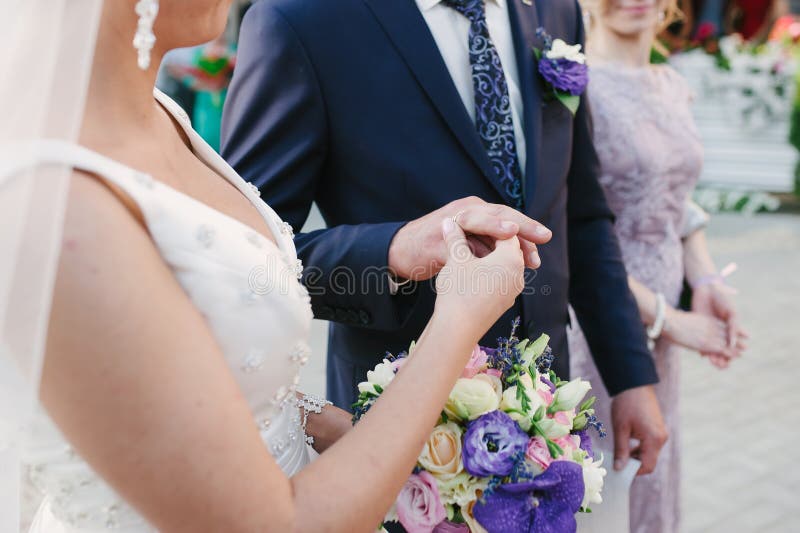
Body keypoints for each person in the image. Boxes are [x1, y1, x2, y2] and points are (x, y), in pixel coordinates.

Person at [0, 0, 532, 531]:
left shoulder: (161, 114)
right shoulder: (58, 205)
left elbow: (215, 359)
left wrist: (353, 433)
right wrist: (458, 318)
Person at [221, 0, 669, 480]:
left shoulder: (557, 9)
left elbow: (581, 212)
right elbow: (243, 255)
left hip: (550, 421)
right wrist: (395, 251)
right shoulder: (303, 19)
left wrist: (630, 375)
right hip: (399, 434)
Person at [569, 0, 748, 531]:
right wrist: (669, 318)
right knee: (603, 475)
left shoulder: (672, 82)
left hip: (664, 321)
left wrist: (708, 280)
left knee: (653, 469)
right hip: (601, 315)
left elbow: (678, 203)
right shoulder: (572, 87)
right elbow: (573, 231)